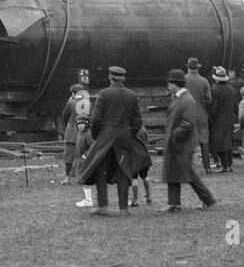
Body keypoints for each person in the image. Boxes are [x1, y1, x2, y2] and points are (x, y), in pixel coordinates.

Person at [75, 66, 147, 215]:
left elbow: (95, 119)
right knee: (123, 169)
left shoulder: (104, 94)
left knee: (100, 168)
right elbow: (137, 122)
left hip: (106, 137)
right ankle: (123, 209)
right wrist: (128, 135)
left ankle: (103, 206)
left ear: (110, 78)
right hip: (124, 137)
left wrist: (97, 136)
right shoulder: (132, 95)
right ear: (123, 79)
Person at [160, 69, 217, 212]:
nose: (168, 86)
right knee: (173, 172)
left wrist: (174, 136)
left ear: (175, 84)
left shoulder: (186, 99)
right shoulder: (179, 98)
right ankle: (174, 203)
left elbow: (188, 122)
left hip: (182, 144)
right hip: (178, 143)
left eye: (170, 83)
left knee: (188, 173)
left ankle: (208, 199)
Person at [184, 57, 214, 174]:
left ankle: (188, 168)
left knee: (187, 140)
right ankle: (207, 168)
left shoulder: (183, 80)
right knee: (204, 141)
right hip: (201, 114)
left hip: (187, 114)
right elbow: (209, 99)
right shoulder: (204, 81)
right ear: (198, 67)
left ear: (187, 67)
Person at [208, 66, 239, 173]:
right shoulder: (232, 89)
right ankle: (229, 165)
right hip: (230, 119)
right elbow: (236, 106)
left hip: (218, 120)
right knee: (228, 142)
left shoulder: (214, 90)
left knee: (219, 143)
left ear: (217, 79)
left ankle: (225, 166)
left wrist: (211, 119)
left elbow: (214, 108)